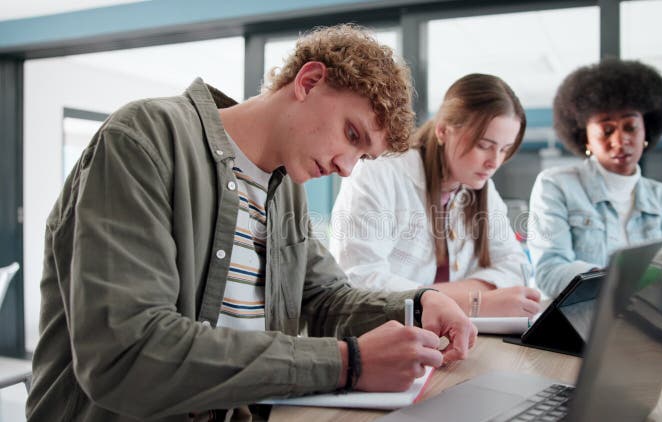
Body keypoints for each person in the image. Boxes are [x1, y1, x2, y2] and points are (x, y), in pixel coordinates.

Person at [27, 24, 476, 422]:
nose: (345, 167)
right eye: (351, 134)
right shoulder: (145, 138)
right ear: (309, 81)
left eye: (362, 157)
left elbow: (326, 299)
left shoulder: (285, 193)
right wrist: (345, 362)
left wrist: (418, 303)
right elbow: (129, 352)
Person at [330, 74, 541, 318]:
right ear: (442, 130)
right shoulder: (380, 172)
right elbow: (360, 280)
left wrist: (440, 298)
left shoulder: (482, 188)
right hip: (380, 335)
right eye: (484, 145)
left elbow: (516, 268)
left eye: (504, 149)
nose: (494, 162)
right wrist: (476, 302)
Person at [527, 59, 662, 299]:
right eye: (606, 130)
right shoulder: (556, 185)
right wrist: (624, 282)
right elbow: (550, 271)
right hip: (576, 323)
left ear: (646, 131)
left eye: (630, 127)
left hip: (649, 321)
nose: (620, 140)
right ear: (585, 138)